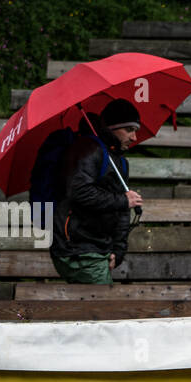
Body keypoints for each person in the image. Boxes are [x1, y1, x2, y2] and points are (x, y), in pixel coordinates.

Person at [50, 99, 143, 285]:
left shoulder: (120, 162)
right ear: (112, 128)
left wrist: (118, 250)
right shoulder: (87, 150)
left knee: (96, 303)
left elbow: (122, 212)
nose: (134, 137)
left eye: (136, 131)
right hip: (79, 250)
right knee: (104, 304)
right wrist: (122, 200)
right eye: (129, 130)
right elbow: (80, 192)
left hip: (100, 250)